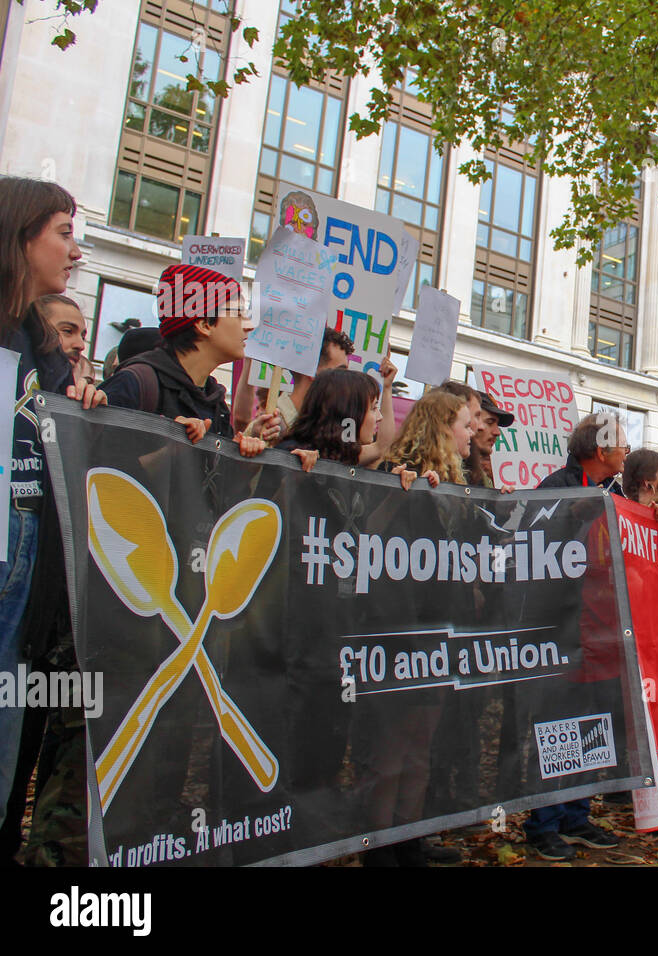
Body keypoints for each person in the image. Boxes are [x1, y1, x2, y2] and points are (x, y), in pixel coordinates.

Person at [0, 177, 104, 840]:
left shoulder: (39, 349)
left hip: (24, 565)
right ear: (21, 232)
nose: (76, 251)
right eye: (64, 233)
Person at [522, 413, 627, 861]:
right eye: (621, 443)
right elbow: (536, 546)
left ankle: (577, 816)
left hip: (604, 629)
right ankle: (542, 823)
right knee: (555, 725)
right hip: (562, 626)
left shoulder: (618, 493)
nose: (627, 450)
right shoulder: (556, 486)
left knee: (593, 724)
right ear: (601, 450)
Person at [98, 264, 267, 455]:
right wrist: (170, 450)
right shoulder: (133, 384)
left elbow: (214, 481)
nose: (249, 325)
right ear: (204, 324)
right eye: (237, 313)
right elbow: (93, 466)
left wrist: (246, 457)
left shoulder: (215, 401)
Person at [275, 368, 382, 469]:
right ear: (347, 412)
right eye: (373, 408)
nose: (379, 417)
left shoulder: (345, 458)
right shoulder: (294, 455)